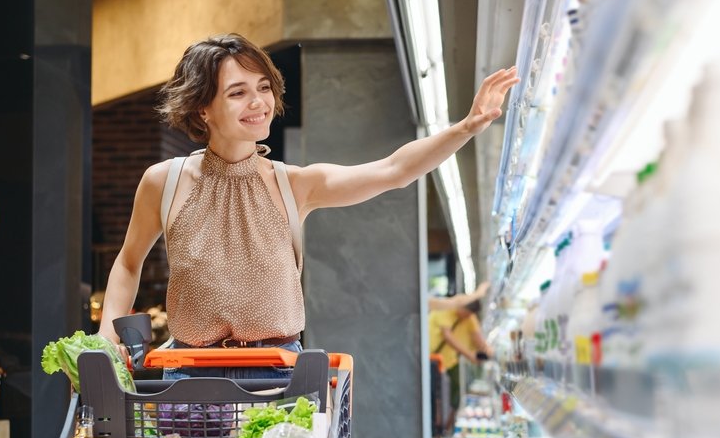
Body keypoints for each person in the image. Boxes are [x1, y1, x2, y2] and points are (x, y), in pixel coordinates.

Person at [96, 33, 518, 380]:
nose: (259, 102)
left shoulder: (293, 184)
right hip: (188, 371)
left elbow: (393, 170)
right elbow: (128, 263)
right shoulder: (163, 181)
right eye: (238, 93)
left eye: (263, 88)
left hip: (277, 370)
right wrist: (106, 332)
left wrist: (467, 126)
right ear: (202, 108)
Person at [427, 299, 494, 411]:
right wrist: (470, 355)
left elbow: (478, 339)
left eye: (469, 314)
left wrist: (487, 351)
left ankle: (447, 422)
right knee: (433, 398)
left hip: (448, 363)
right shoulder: (446, 308)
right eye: (464, 312)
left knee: (449, 399)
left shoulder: (470, 318)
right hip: (432, 361)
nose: (465, 316)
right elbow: (448, 337)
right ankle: (436, 424)